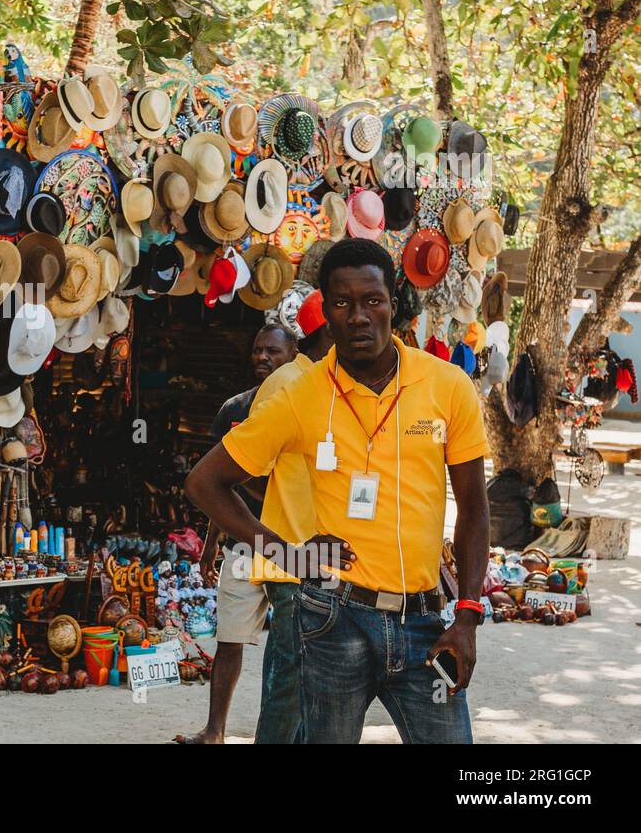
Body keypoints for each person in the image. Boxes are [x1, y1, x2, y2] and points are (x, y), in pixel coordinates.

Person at [186, 239, 489, 744]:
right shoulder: (299, 394)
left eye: (372, 300)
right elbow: (204, 482)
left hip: (422, 627)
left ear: (393, 300)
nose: (359, 316)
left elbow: (475, 508)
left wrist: (468, 615)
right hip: (331, 621)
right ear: (325, 310)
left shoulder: (447, 386)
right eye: (343, 303)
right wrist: (285, 554)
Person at [176, 323, 297, 744]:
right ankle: (215, 730)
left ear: (294, 357)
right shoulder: (234, 410)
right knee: (229, 639)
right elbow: (217, 490)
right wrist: (210, 548)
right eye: (259, 350)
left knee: (290, 647)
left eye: (274, 352)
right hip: (243, 546)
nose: (263, 357)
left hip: (290, 549)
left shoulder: (306, 408)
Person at [249, 289, 334, 743]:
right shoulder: (287, 382)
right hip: (293, 557)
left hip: (324, 558)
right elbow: (244, 465)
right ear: (326, 334)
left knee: (308, 679)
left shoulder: (331, 383)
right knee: (290, 683)